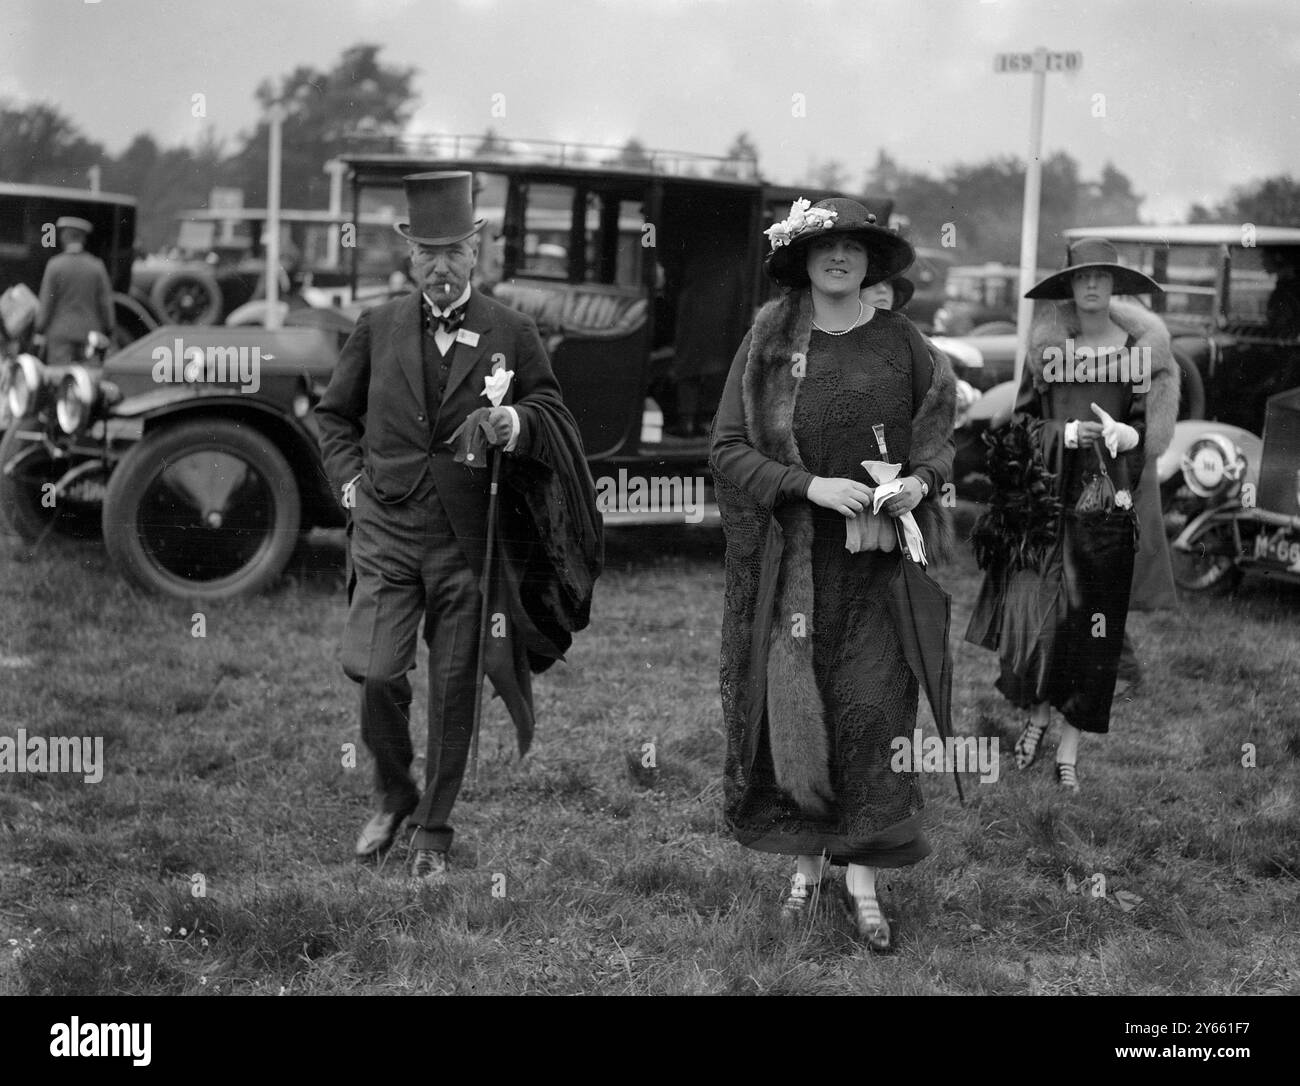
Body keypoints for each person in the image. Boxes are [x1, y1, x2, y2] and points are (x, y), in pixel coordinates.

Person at [316, 172, 602, 883]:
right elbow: (332, 417)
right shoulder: (376, 327)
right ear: (408, 256)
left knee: (451, 688)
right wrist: (351, 485)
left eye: (454, 251)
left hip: (468, 540)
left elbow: (553, 415)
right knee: (374, 670)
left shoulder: (512, 331)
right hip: (384, 526)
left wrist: (516, 420)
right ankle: (393, 791)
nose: (439, 266)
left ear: (478, 251)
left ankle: (432, 830)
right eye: (426, 253)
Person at [710, 197, 956, 950]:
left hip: (879, 572)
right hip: (797, 573)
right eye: (825, 245)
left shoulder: (904, 343)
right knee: (803, 713)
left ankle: (864, 882)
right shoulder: (770, 341)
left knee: (876, 714)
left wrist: (917, 483)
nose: (839, 256)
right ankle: (807, 864)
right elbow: (725, 451)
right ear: (803, 259)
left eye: (853, 245)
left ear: (870, 261)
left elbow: (941, 441)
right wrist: (807, 486)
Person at [966, 238, 1179, 792]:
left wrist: (1126, 433)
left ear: (1115, 287)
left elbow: (1147, 430)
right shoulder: (1049, 350)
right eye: (1083, 278)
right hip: (1045, 506)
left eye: (1103, 279)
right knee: (1041, 615)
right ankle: (1036, 717)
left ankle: (1070, 742)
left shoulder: (1140, 352)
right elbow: (1017, 427)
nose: (1092, 287)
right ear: (1069, 287)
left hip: (1104, 507)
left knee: (1094, 620)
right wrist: (1061, 433)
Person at [34, 216, 114, 364]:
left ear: (65, 237)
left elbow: (46, 303)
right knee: (88, 381)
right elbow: (105, 304)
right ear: (83, 239)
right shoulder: (97, 266)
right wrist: (109, 328)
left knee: (60, 379)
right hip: (89, 333)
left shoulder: (54, 266)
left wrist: (39, 328)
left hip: (60, 335)